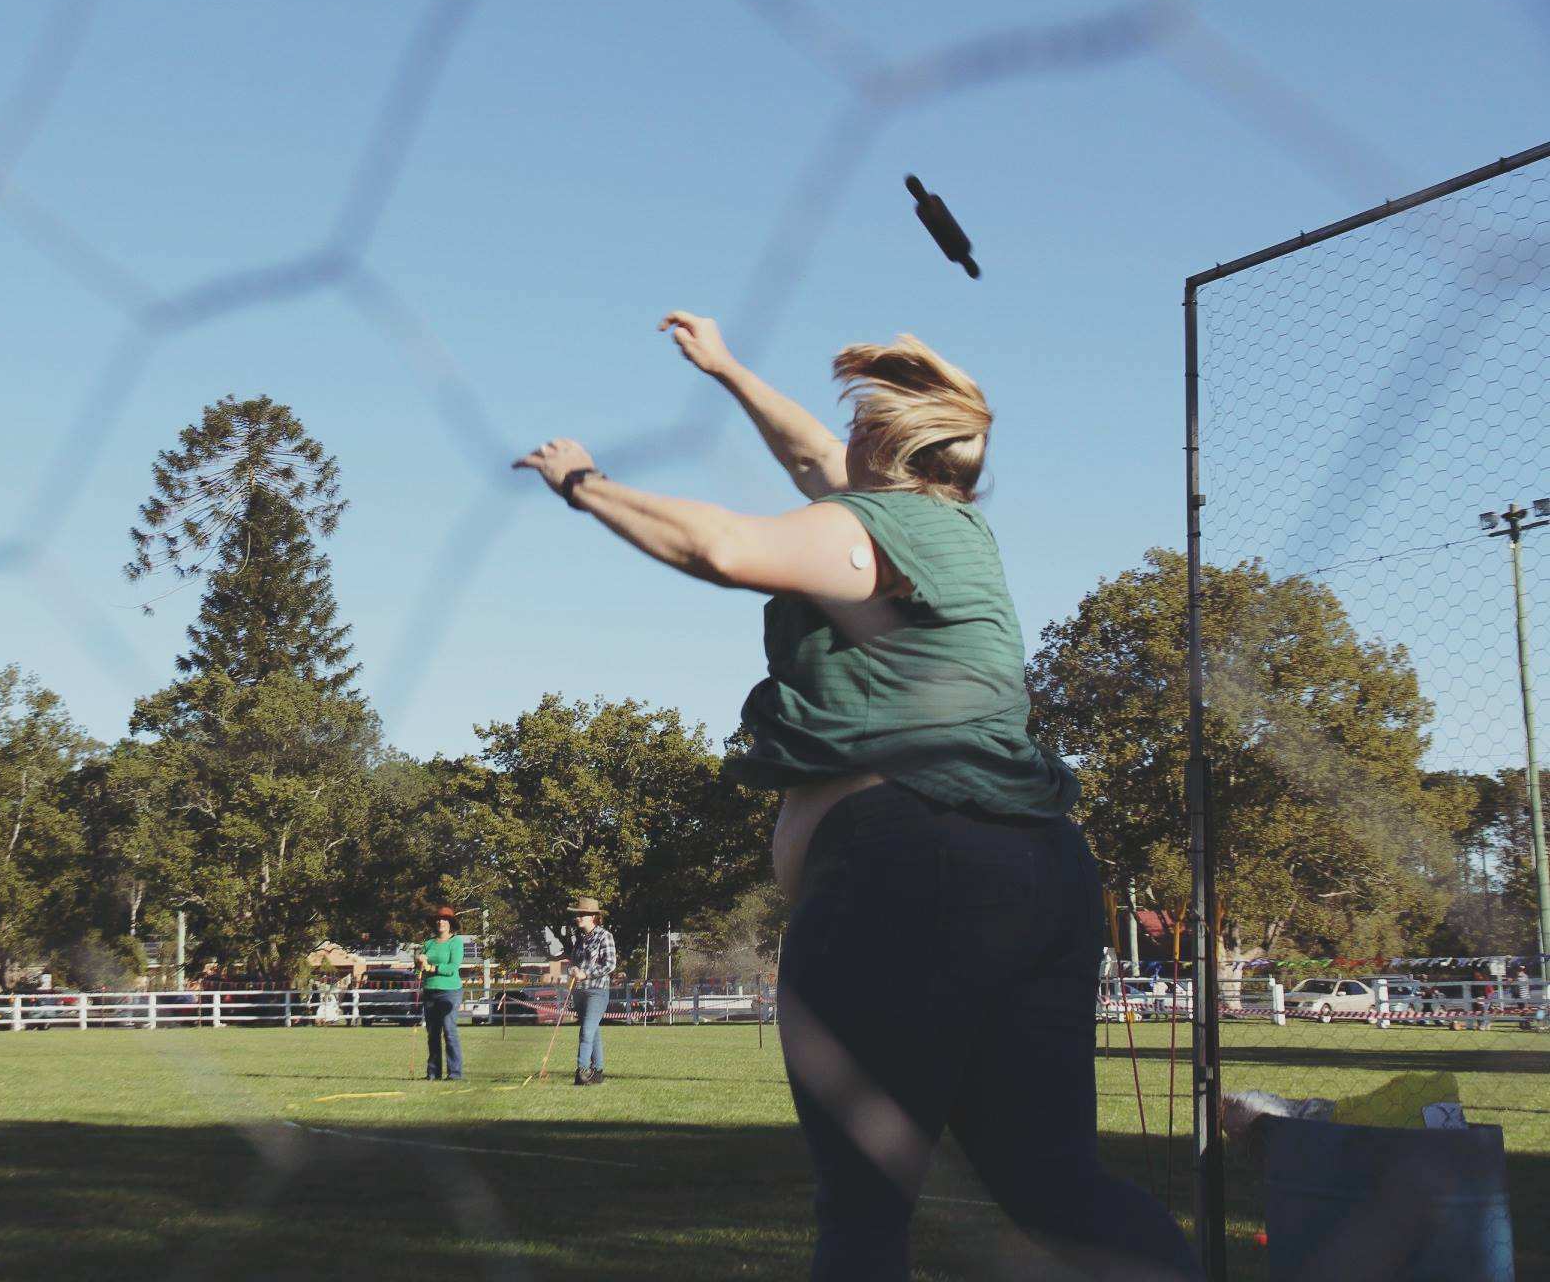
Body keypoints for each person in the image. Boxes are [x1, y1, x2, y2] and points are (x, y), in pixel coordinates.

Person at [513, 312, 1199, 1279]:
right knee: (1053, 1183)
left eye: (860, 430)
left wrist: (585, 485)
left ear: (883, 448)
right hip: (1036, 872)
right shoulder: (948, 528)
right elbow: (807, 457)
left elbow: (720, 547)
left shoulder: (888, 527)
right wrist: (726, 370)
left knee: (867, 1207)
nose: (838, 446)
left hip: (913, 876)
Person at [566, 897, 616, 1085]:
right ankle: (598, 1072)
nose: (578, 917)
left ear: (593, 917)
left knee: (586, 1032)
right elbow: (573, 963)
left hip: (597, 992)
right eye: (578, 914)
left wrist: (585, 974)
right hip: (580, 992)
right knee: (592, 1032)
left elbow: (610, 964)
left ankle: (582, 1071)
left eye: (581, 914)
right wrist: (572, 971)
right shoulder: (579, 940)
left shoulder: (605, 936)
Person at [415, 905, 465, 1080]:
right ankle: (433, 1073)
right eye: (438, 919)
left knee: (449, 1030)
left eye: (445, 920)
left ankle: (455, 1074)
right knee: (432, 1033)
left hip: (450, 991)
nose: (441, 922)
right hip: (430, 990)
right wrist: (418, 963)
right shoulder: (428, 943)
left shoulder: (456, 942)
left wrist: (432, 967)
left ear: (450, 923)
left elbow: (452, 968)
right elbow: (418, 972)